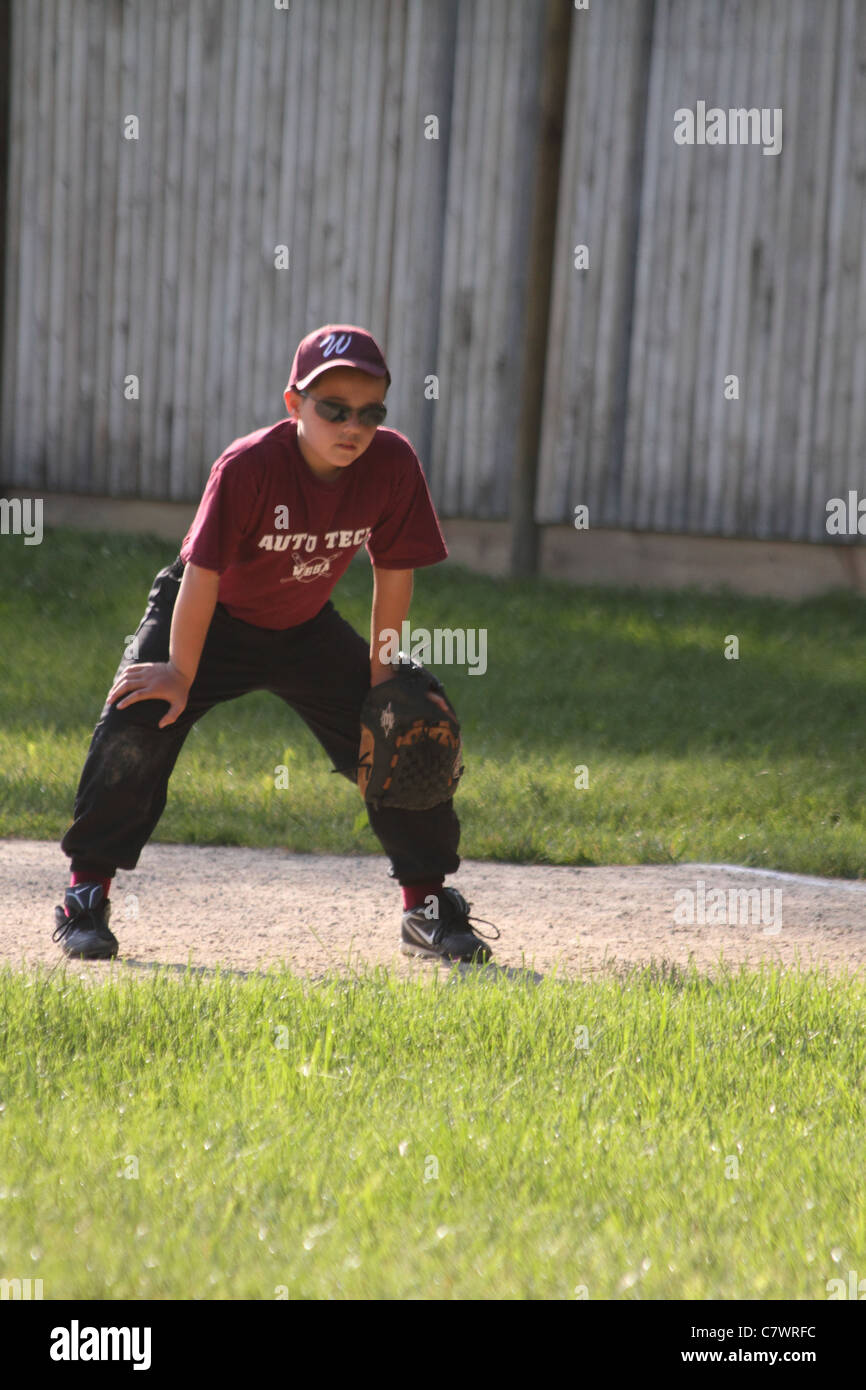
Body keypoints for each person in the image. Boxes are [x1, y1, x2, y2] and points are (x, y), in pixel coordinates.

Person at [53, 324, 497, 965]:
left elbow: (393, 575)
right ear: (294, 403)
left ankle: (426, 907)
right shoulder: (249, 466)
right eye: (333, 409)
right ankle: (84, 894)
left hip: (303, 624)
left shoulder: (392, 463)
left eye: (369, 412)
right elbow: (202, 577)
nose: (353, 426)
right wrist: (178, 670)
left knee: (404, 736)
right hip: (210, 616)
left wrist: (383, 680)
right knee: (140, 716)